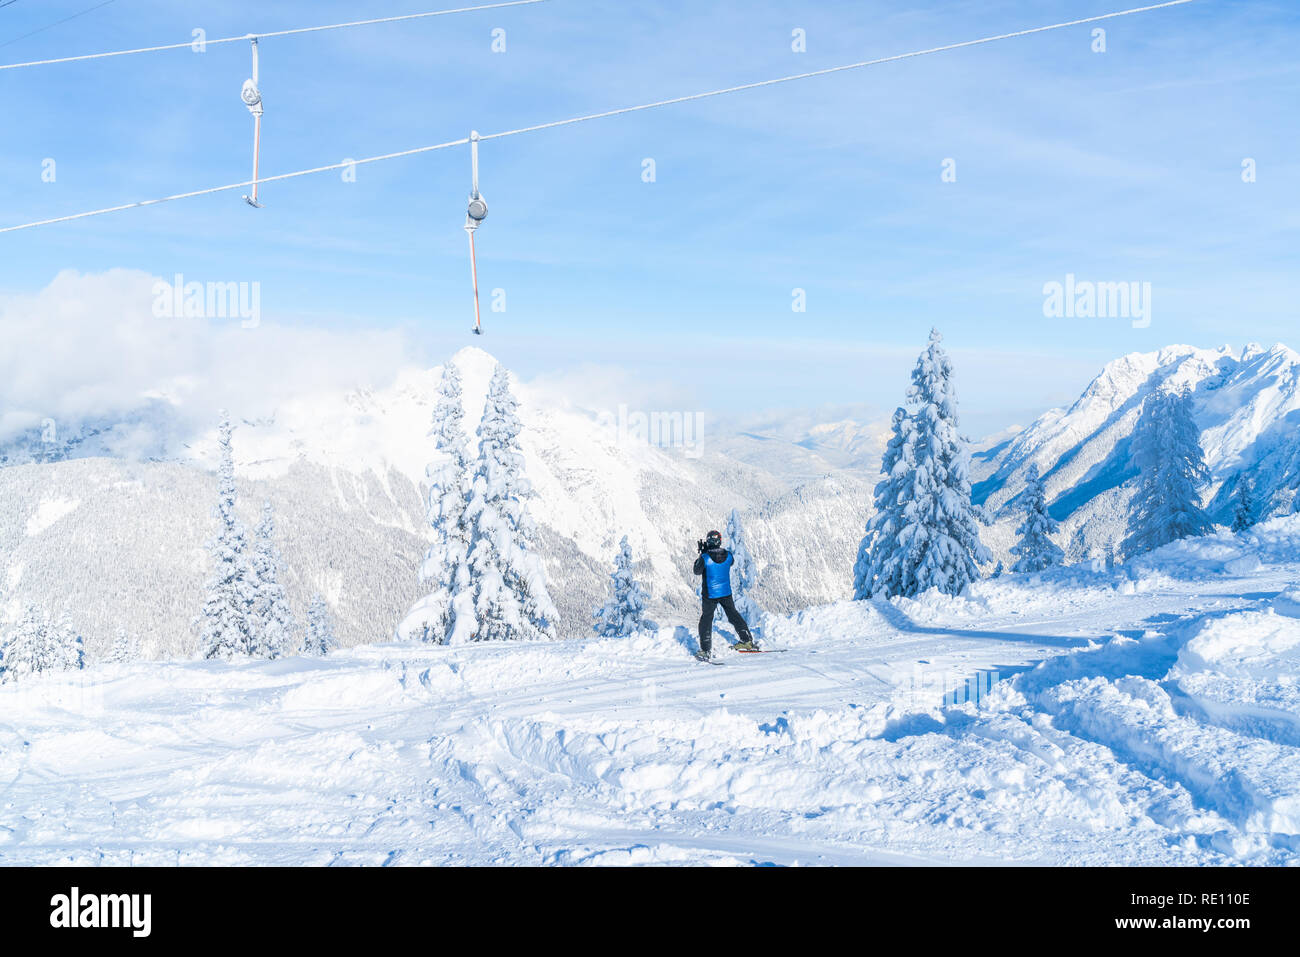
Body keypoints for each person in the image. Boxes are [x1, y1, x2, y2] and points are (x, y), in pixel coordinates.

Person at [692, 529, 757, 658]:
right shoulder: (729, 555)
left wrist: (702, 554)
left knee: (706, 620)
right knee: (733, 615)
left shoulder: (705, 558)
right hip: (726, 592)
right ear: (719, 541)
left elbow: (696, 571)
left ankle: (705, 650)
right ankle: (747, 640)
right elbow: (728, 562)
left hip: (710, 594)